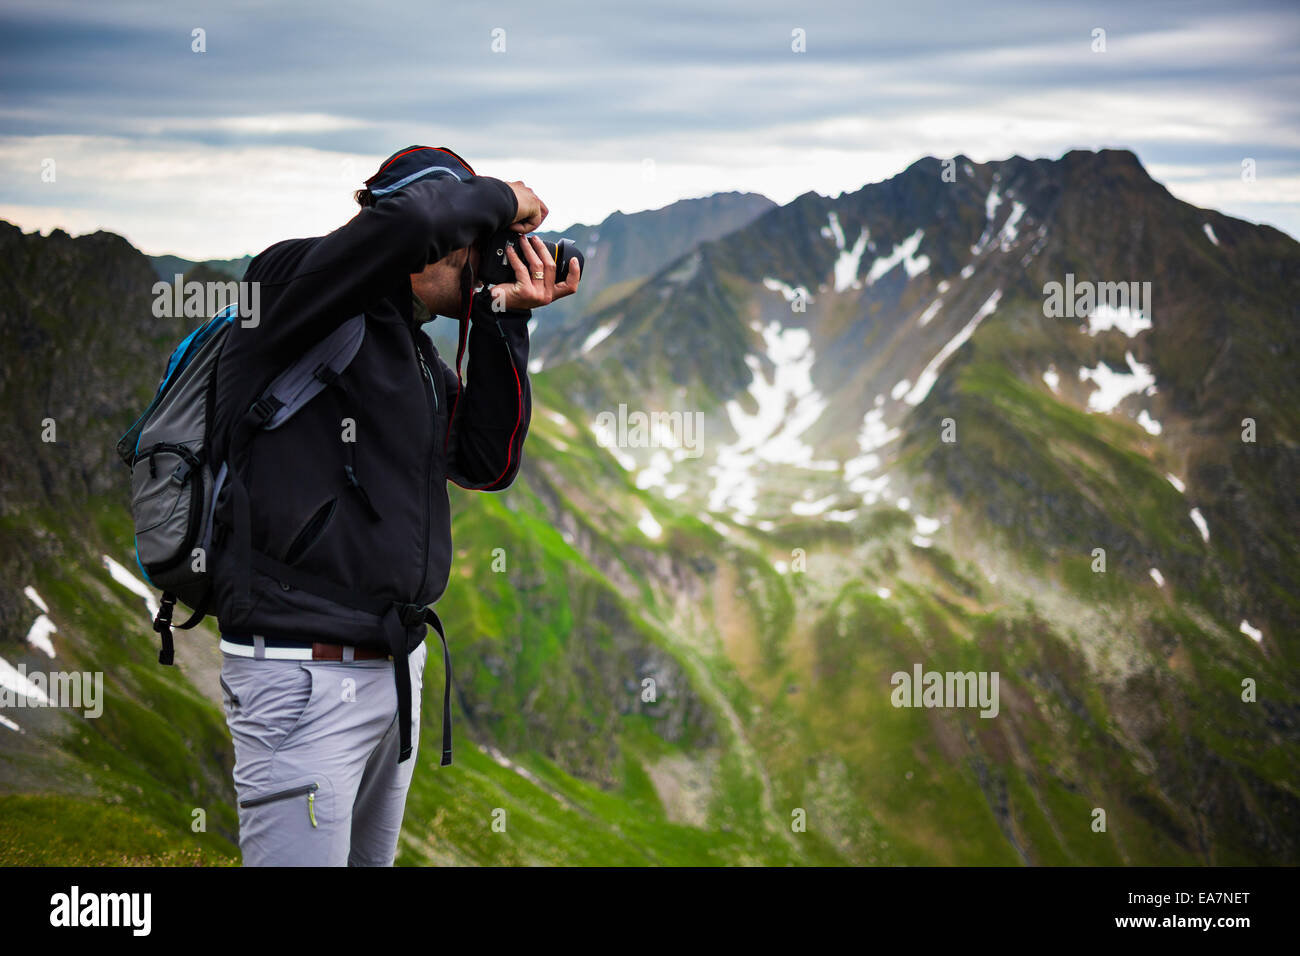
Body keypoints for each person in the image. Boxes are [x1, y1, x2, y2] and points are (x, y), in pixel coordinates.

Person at [207, 145, 579, 866]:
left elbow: (485, 461)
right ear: (420, 233)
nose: (482, 258)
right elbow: (411, 224)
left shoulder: (407, 347)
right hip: (301, 672)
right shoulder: (291, 283)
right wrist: (507, 196)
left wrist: (505, 316)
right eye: (473, 243)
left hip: (391, 668)